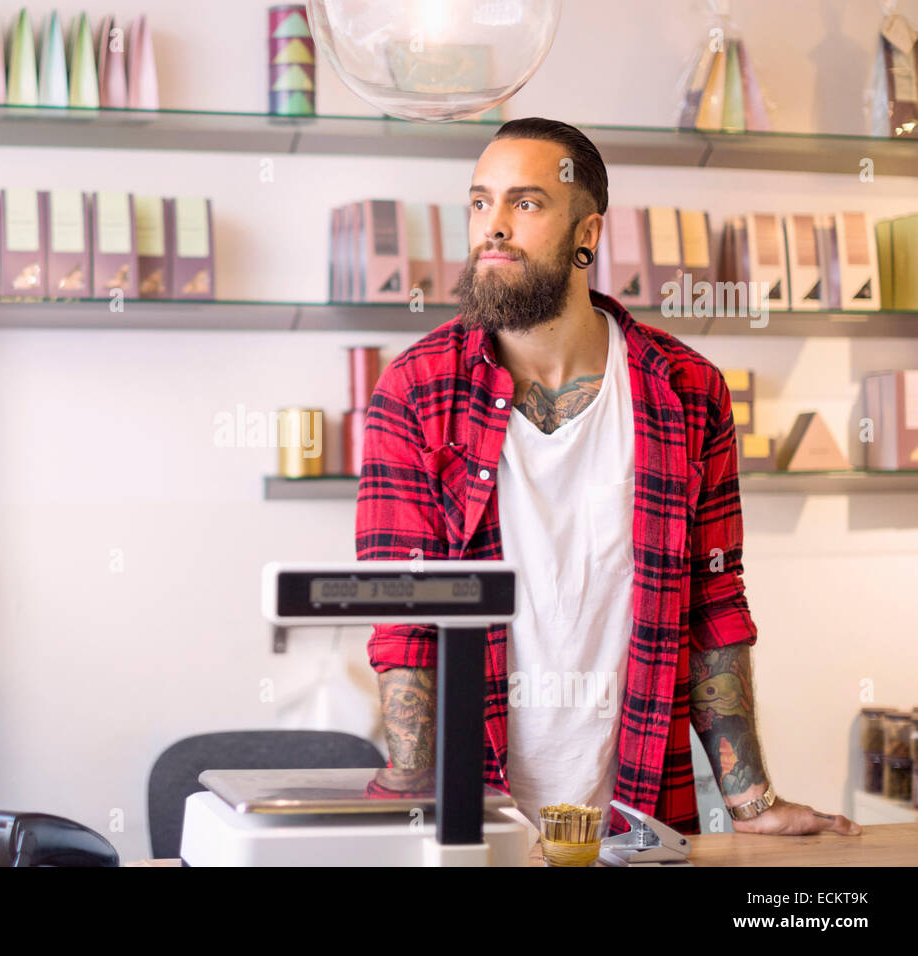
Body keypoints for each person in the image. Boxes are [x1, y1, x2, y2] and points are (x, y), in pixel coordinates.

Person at [355, 116, 861, 838]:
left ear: (587, 233)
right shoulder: (417, 390)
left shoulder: (687, 391)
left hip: (640, 818)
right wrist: (420, 805)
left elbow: (714, 600)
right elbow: (404, 615)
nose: (492, 227)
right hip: (477, 820)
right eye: (479, 202)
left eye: (524, 204)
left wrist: (752, 801)